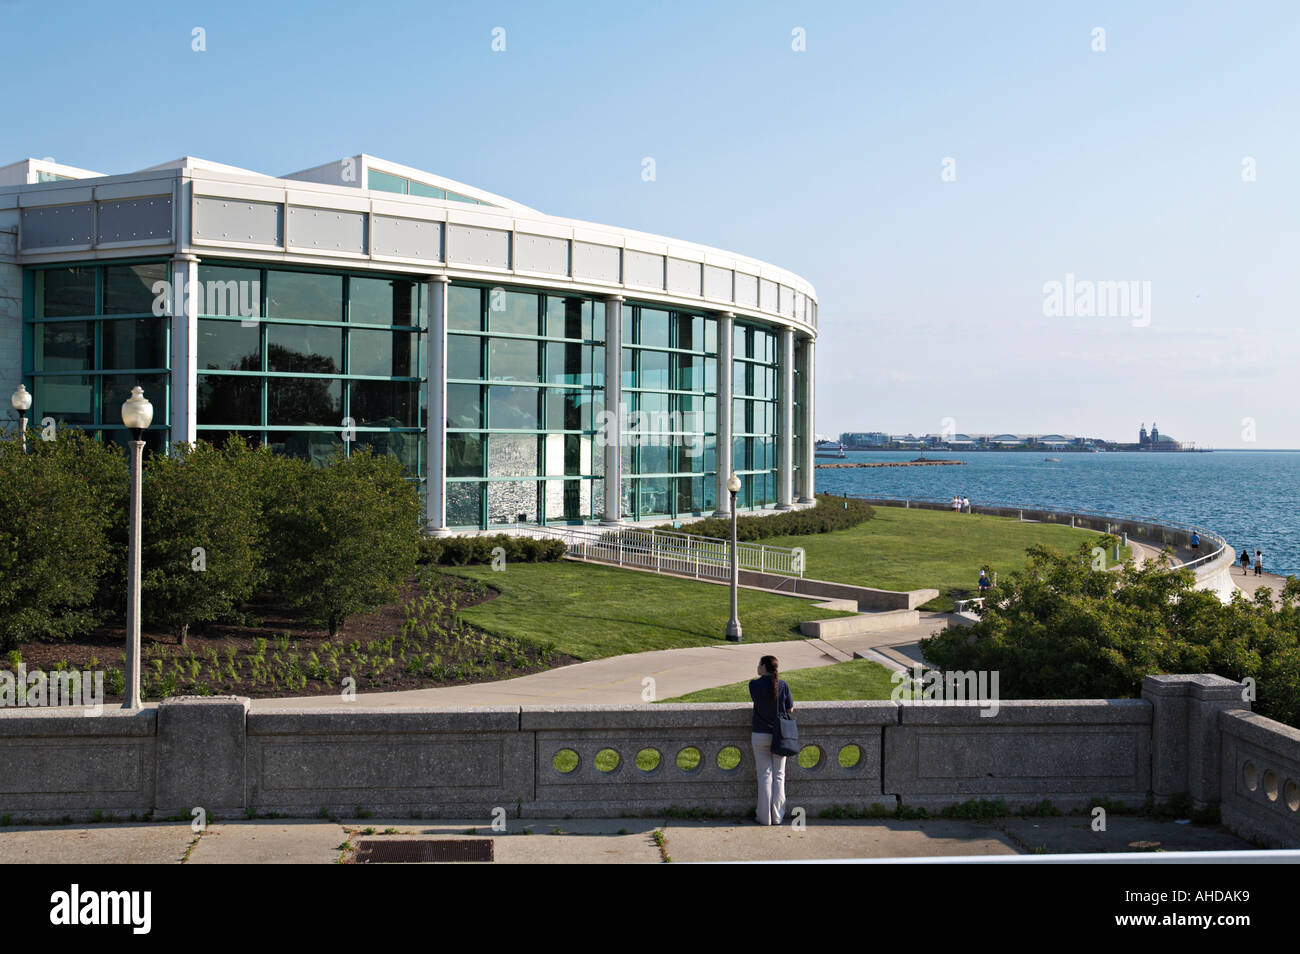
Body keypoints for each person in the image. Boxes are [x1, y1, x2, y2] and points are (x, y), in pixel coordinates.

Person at [749, 655, 794, 826]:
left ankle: (764, 817)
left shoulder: (754, 685)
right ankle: (777, 816)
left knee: (764, 776)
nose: (757, 666)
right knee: (779, 776)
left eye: (759, 664)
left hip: (760, 734)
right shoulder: (783, 685)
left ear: (764, 667)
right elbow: (790, 709)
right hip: (780, 735)